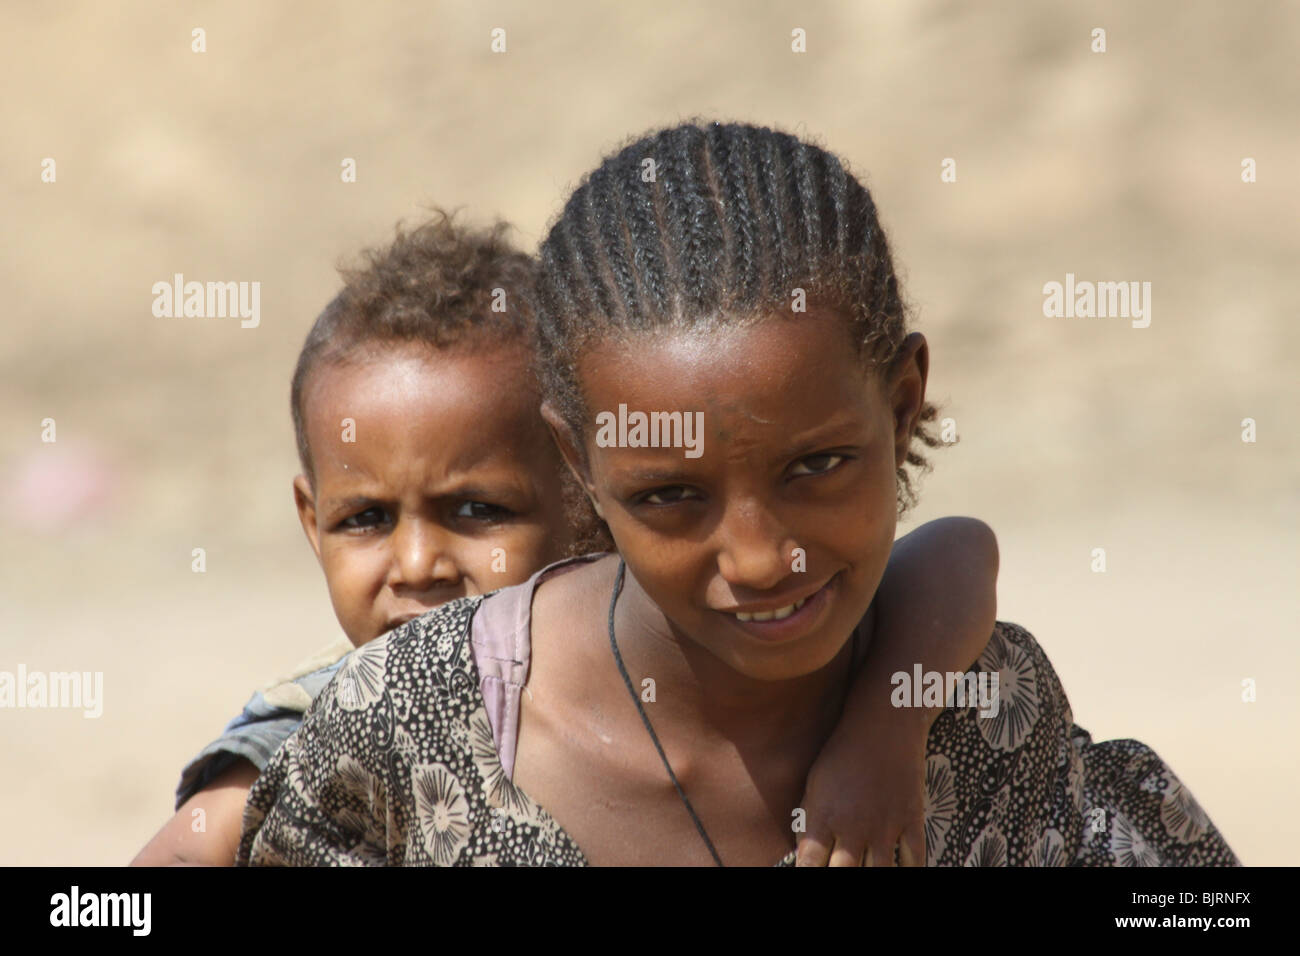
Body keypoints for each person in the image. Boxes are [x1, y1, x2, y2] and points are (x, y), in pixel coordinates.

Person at [236, 121, 1239, 866]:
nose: (760, 557)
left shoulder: (982, 719)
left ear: (903, 402)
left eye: (816, 466)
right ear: (579, 462)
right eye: (672, 493)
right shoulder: (404, 730)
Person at [134, 204, 1004, 866]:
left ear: (593, 492)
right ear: (307, 518)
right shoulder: (331, 720)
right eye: (365, 519)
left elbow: (955, 555)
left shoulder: (724, 614)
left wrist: (883, 731)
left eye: (478, 510)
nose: (418, 565)